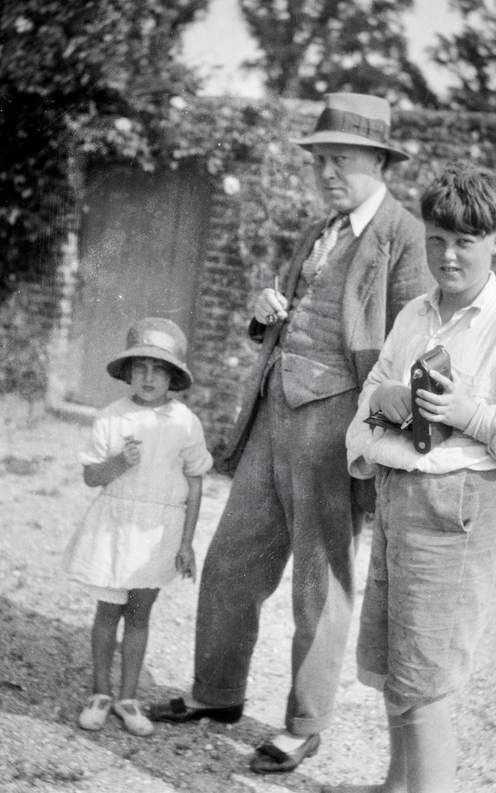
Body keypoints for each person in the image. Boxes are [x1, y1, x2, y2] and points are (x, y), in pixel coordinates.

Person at [149, 92, 430, 773]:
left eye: (343, 160)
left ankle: (303, 723)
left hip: (337, 429)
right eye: (321, 159)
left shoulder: (404, 235)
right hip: (274, 415)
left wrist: (384, 434)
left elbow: (419, 342)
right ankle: (217, 692)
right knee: (231, 559)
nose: (329, 171)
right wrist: (261, 312)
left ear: (380, 162)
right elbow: (284, 319)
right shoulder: (318, 231)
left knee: (320, 580)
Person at [323, 161, 496, 793]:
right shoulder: (414, 314)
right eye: (437, 239)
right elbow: (375, 387)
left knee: (427, 679)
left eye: (465, 241)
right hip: (399, 497)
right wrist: (386, 403)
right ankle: (396, 784)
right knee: (394, 665)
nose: (448, 255)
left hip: (457, 509)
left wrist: (473, 414)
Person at [63, 317, 213, 737]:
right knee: (107, 611)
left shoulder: (185, 422)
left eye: (159, 369)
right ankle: (100, 692)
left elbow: (195, 482)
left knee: (140, 613)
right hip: (115, 527)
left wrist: (186, 542)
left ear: (174, 377)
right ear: (128, 372)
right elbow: (91, 477)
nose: (148, 377)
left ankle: (128, 697)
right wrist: (118, 463)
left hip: (157, 532)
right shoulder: (112, 416)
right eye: (140, 367)